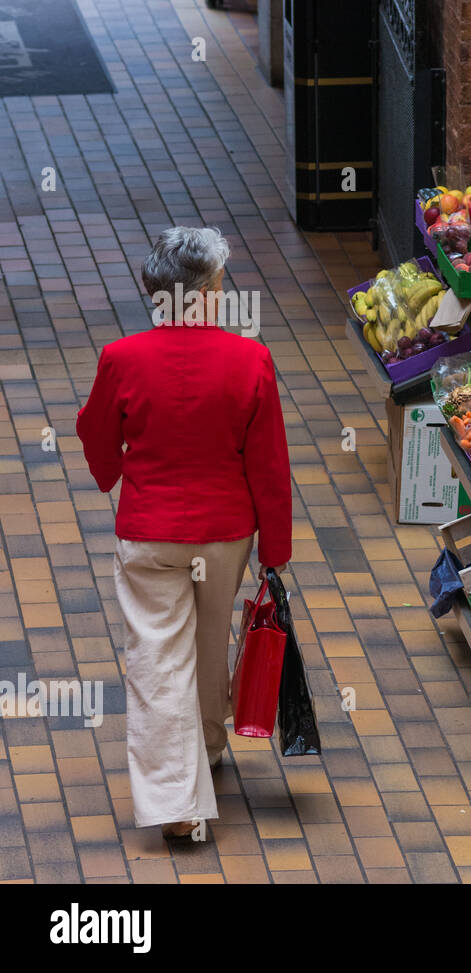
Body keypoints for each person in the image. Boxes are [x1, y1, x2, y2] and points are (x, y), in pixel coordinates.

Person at [76, 226, 292, 840]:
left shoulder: (122, 358)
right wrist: (274, 551)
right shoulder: (251, 360)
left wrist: (113, 473)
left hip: (150, 531)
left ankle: (177, 801)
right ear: (210, 290)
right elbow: (268, 464)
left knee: (157, 655)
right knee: (207, 641)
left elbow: (95, 434)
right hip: (225, 534)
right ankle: (208, 745)